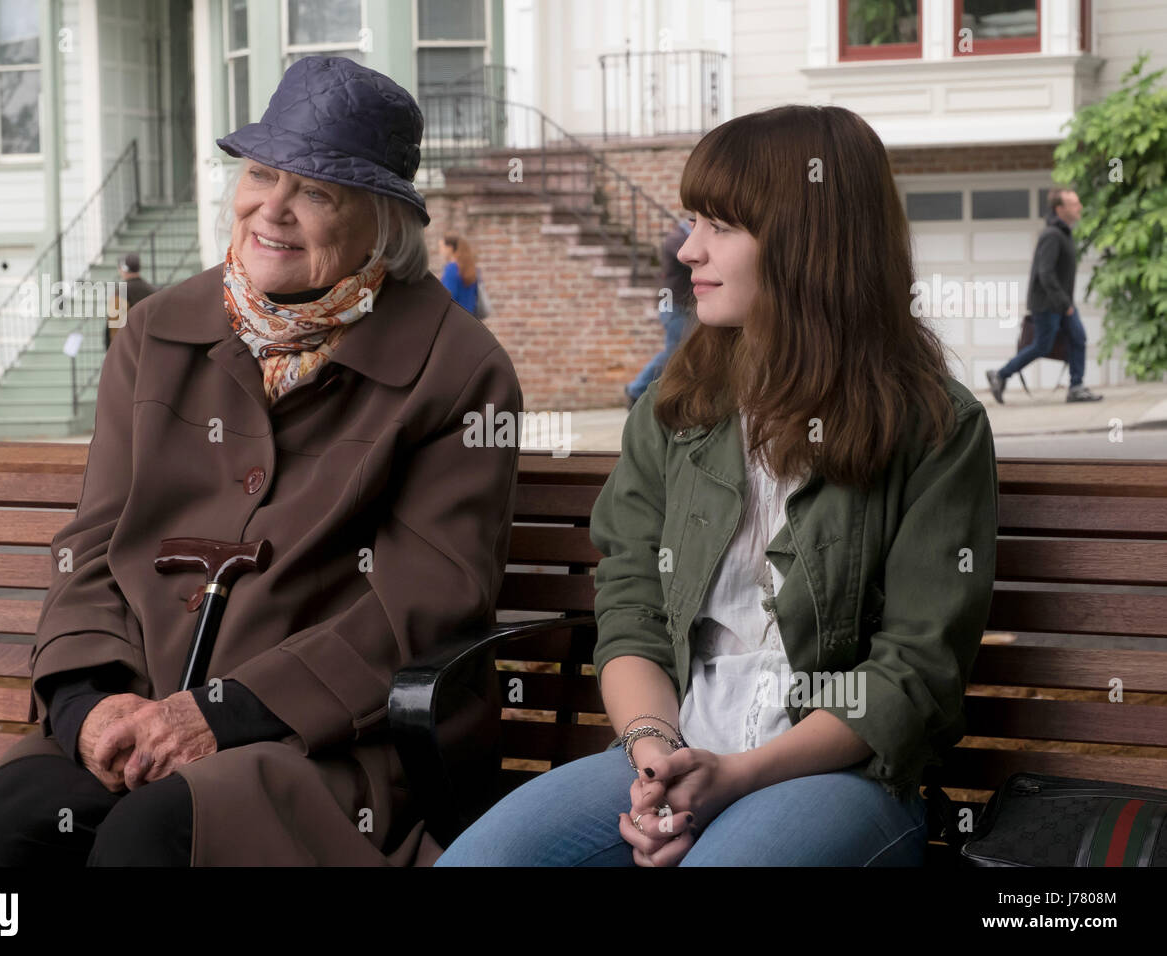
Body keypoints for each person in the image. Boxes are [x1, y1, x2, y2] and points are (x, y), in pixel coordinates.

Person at [0, 55, 522, 867]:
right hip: (138, 721)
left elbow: (421, 610)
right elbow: (91, 547)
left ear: (384, 222)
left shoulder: (458, 369)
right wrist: (85, 703)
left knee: (151, 841)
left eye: (317, 191)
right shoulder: (158, 332)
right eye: (263, 173)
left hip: (323, 746)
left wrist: (222, 714)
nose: (274, 209)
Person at [436, 104, 999, 867]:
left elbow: (913, 673)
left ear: (810, 244)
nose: (689, 247)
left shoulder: (935, 427)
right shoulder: (678, 406)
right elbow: (630, 604)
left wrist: (735, 777)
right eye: (692, 220)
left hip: (841, 773)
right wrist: (656, 759)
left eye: (720, 226)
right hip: (676, 749)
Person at [986, 188, 1102, 403]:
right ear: (1060, 208)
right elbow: (1045, 272)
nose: (1080, 208)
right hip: (1048, 303)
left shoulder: (1063, 233)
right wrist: (1063, 303)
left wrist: (1065, 303)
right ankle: (1000, 374)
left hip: (1061, 302)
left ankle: (1076, 387)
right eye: (1074, 204)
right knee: (1042, 346)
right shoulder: (1052, 235)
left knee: (1078, 338)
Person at [625, 219, 695, 410]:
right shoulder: (676, 239)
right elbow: (689, 260)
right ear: (690, 222)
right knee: (673, 351)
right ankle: (636, 389)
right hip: (671, 304)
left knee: (683, 350)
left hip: (681, 304)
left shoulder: (685, 237)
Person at [106, 252, 157, 351]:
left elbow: (116, 325)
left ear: (123, 269)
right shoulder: (152, 290)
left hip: (129, 349)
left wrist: (115, 350)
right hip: (150, 346)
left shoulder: (121, 292)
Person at [439, 235, 480, 315]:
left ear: (450, 248)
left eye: (441, 247)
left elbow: (449, 298)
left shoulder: (451, 268)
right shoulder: (471, 268)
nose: (440, 251)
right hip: (471, 319)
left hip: (456, 319)